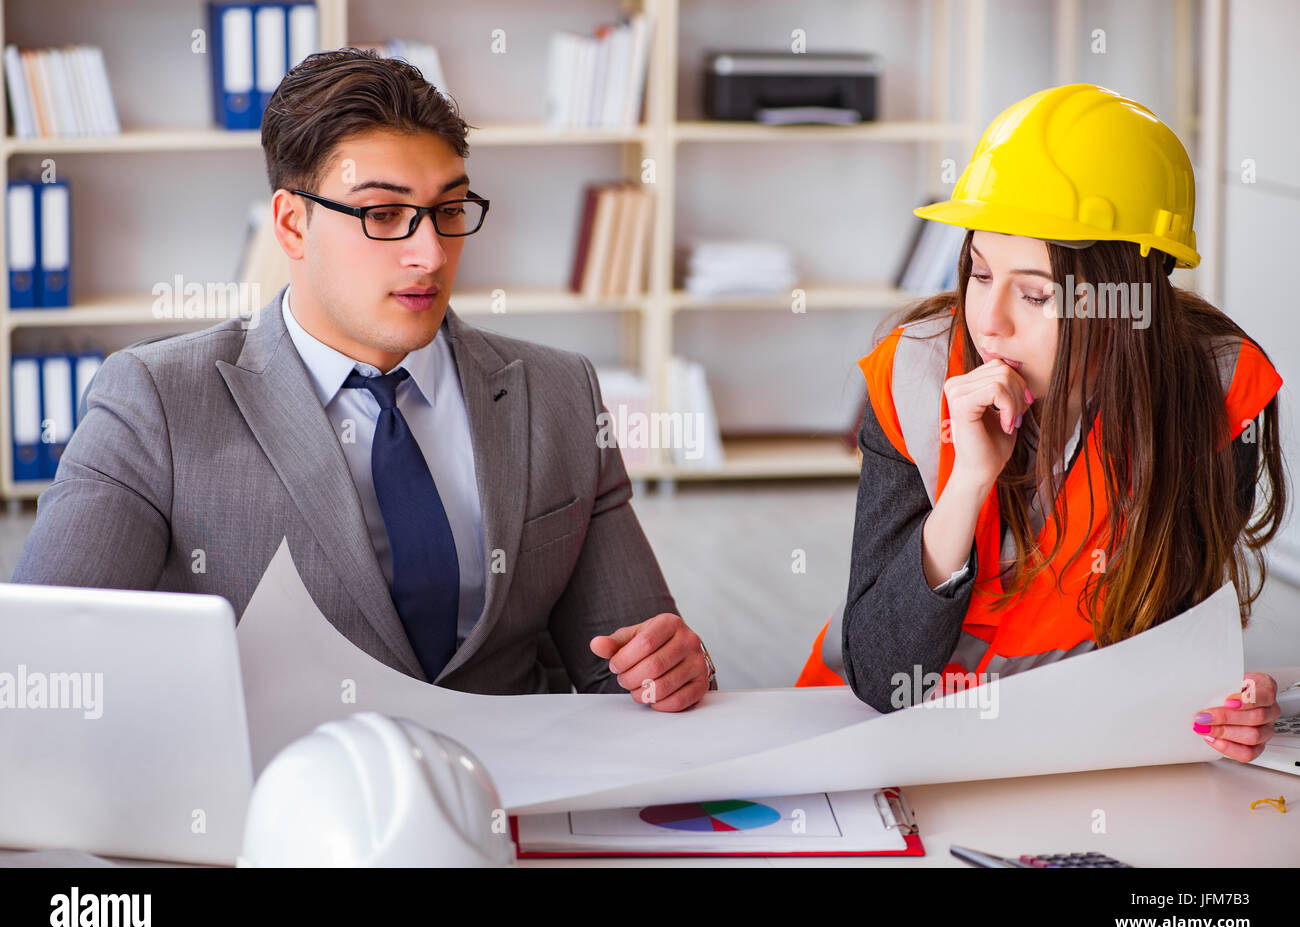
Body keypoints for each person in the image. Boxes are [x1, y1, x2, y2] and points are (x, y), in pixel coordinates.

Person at [12, 48, 715, 711]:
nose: (430, 253)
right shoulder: (156, 402)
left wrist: (674, 669)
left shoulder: (560, 393)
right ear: (293, 224)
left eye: (447, 210)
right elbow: (41, 673)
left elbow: (625, 669)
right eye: (383, 214)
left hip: (510, 816)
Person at [796, 83, 1288, 763]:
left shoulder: (1216, 390)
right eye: (977, 272)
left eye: (1035, 292)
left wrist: (1223, 701)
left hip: (1069, 749)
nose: (990, 320)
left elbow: (1173, 641)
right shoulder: (912, 377)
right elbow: (882, 676)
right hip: (879, 744)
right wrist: (968, 483)